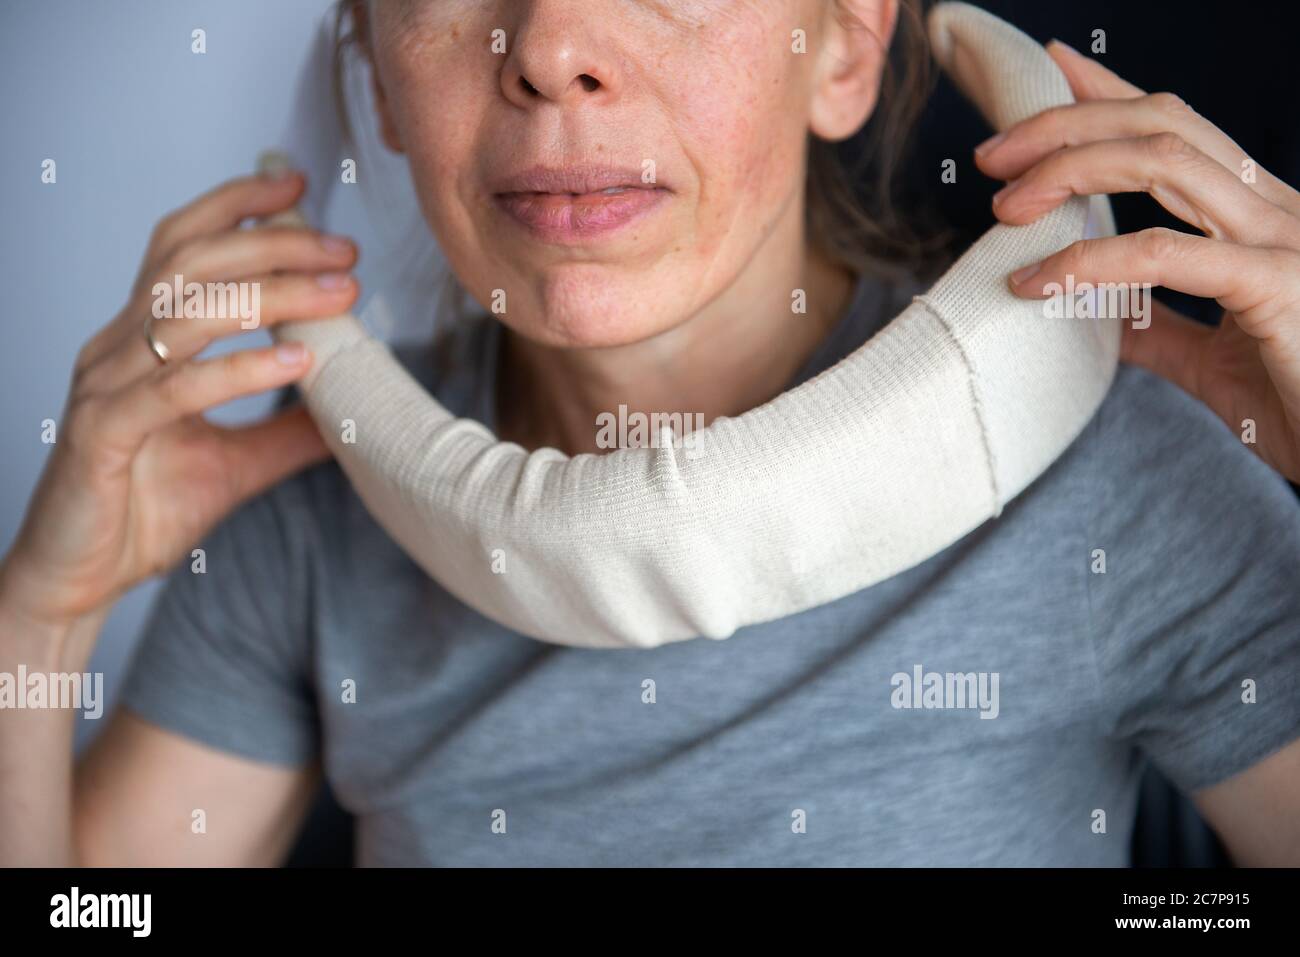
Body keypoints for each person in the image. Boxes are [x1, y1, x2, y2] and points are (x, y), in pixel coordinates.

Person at [1, 0, 1298, 867]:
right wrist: (37, 619)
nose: (553, 45)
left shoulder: (1123, 476)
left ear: (844, 50)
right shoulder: (303, 510)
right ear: (381, 83)